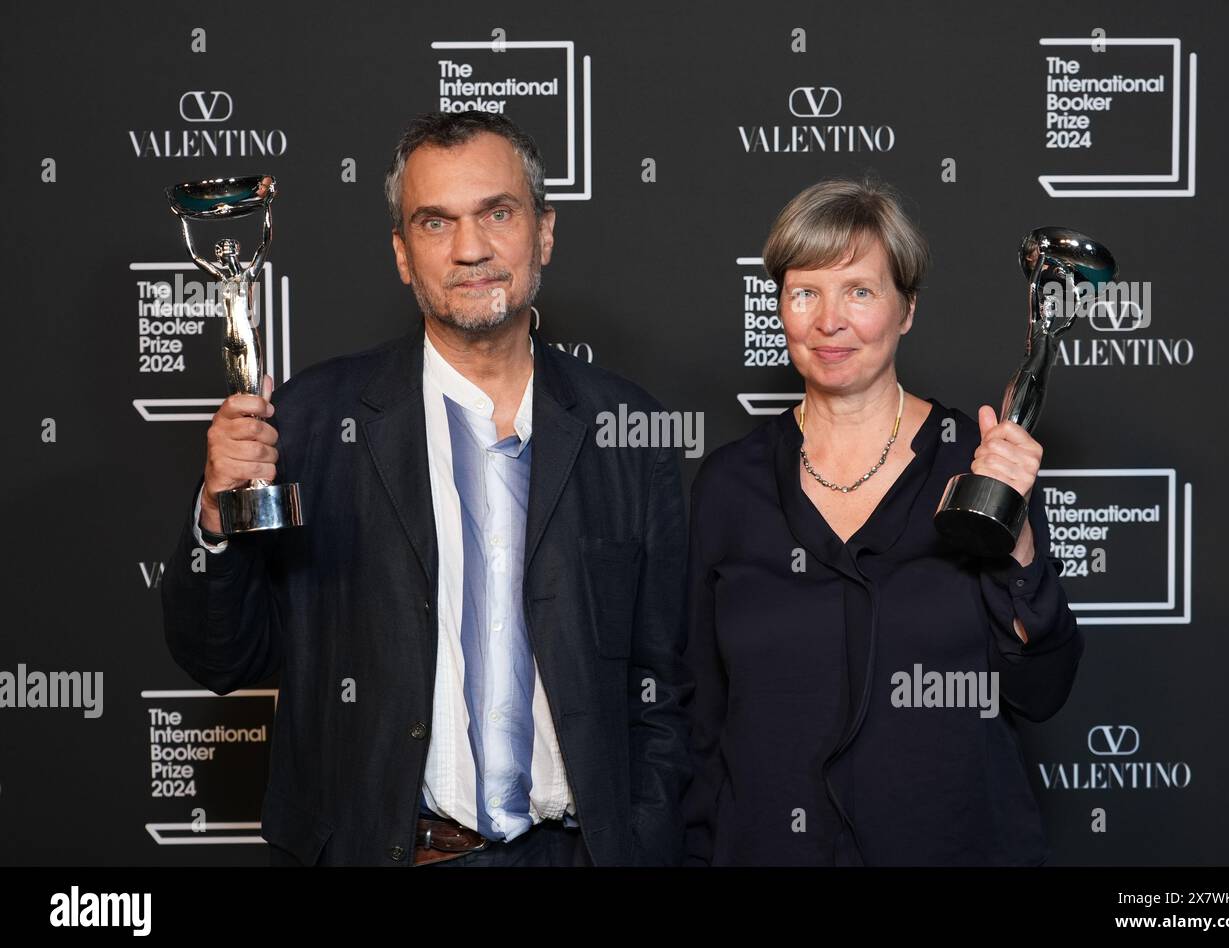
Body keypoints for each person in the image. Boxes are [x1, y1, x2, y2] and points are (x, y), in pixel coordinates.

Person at [160, 110, 691, 867]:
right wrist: (217, 514)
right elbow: (222, 658)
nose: (470, 249)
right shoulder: (312, 422)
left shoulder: (628, 429)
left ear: (544, 231)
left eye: (496, 213)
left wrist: (641, 842)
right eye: (435, 223)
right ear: (403, 255)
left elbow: (663, 687)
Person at [681, 177, 1085, 866]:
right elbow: (697, 721)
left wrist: (1014, 535)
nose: (828, 321)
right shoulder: (728, 484)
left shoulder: (977, 463)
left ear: (907, 310)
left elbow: (1040, 691)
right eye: (805, 292)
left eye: (859, 292)